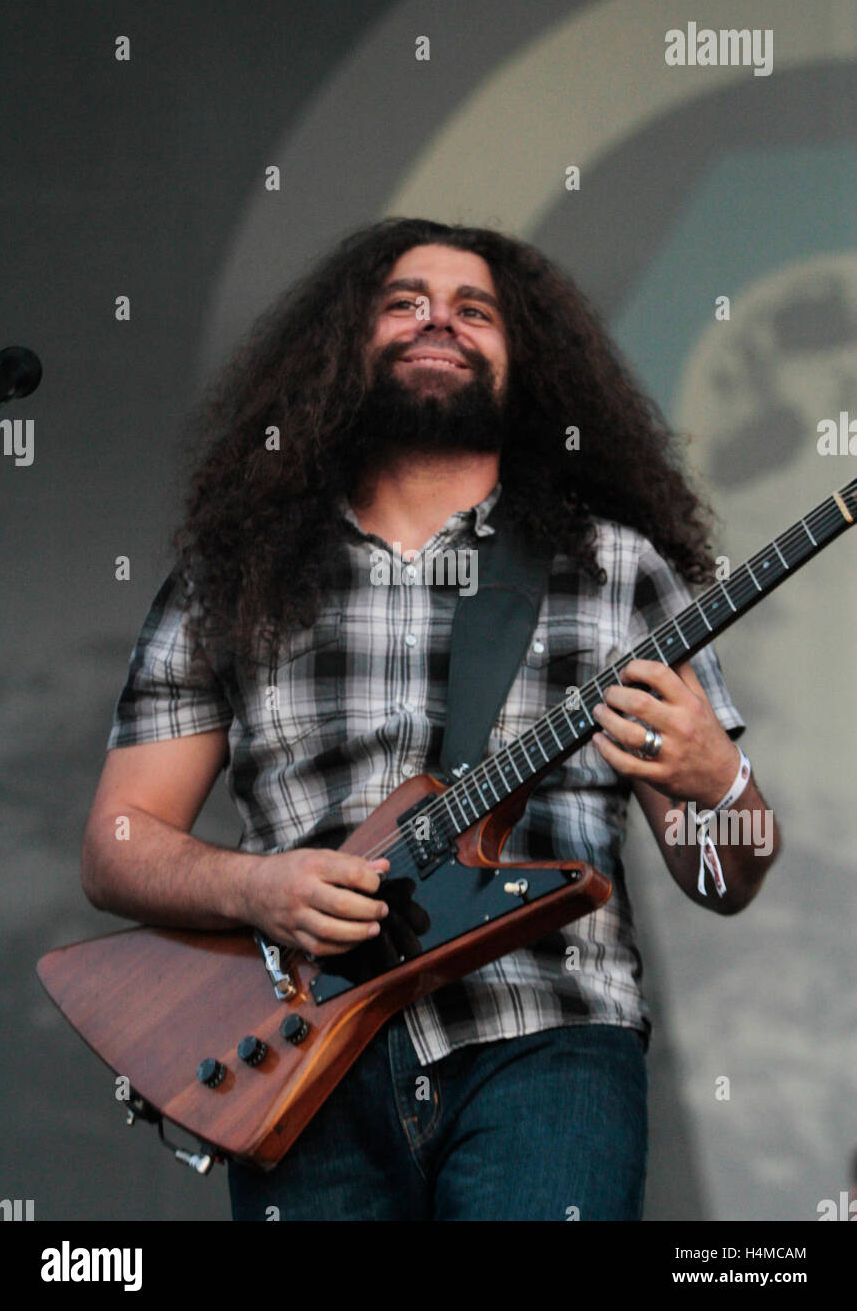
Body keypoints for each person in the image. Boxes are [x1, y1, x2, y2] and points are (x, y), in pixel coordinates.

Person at [81, 217, 781, 1221]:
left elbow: (722, 876)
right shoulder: (229, 580)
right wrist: (258, 887)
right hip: (305, 1057)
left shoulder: (616, 568)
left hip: (545, 1037)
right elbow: (115, 846)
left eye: (474, 310)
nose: (437, 322)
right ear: (338, 351)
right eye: (403, 302)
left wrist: (719, 780)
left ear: (524, 361)